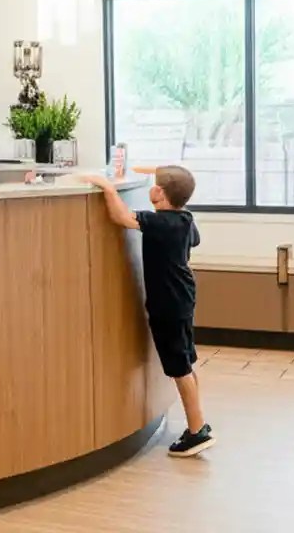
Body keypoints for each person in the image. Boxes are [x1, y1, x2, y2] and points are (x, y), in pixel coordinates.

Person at [81, 165, 213, 458]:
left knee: (179, 367)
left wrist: (108, 187)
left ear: (160, 194)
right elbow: (195, 239)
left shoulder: (162, 223)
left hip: (169, 302)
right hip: (182, 297)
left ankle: (197, 431)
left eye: (155, 184)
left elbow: (120, 217)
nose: (151, 188)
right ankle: (197, 422)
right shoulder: (184, 220)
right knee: (186, 361)